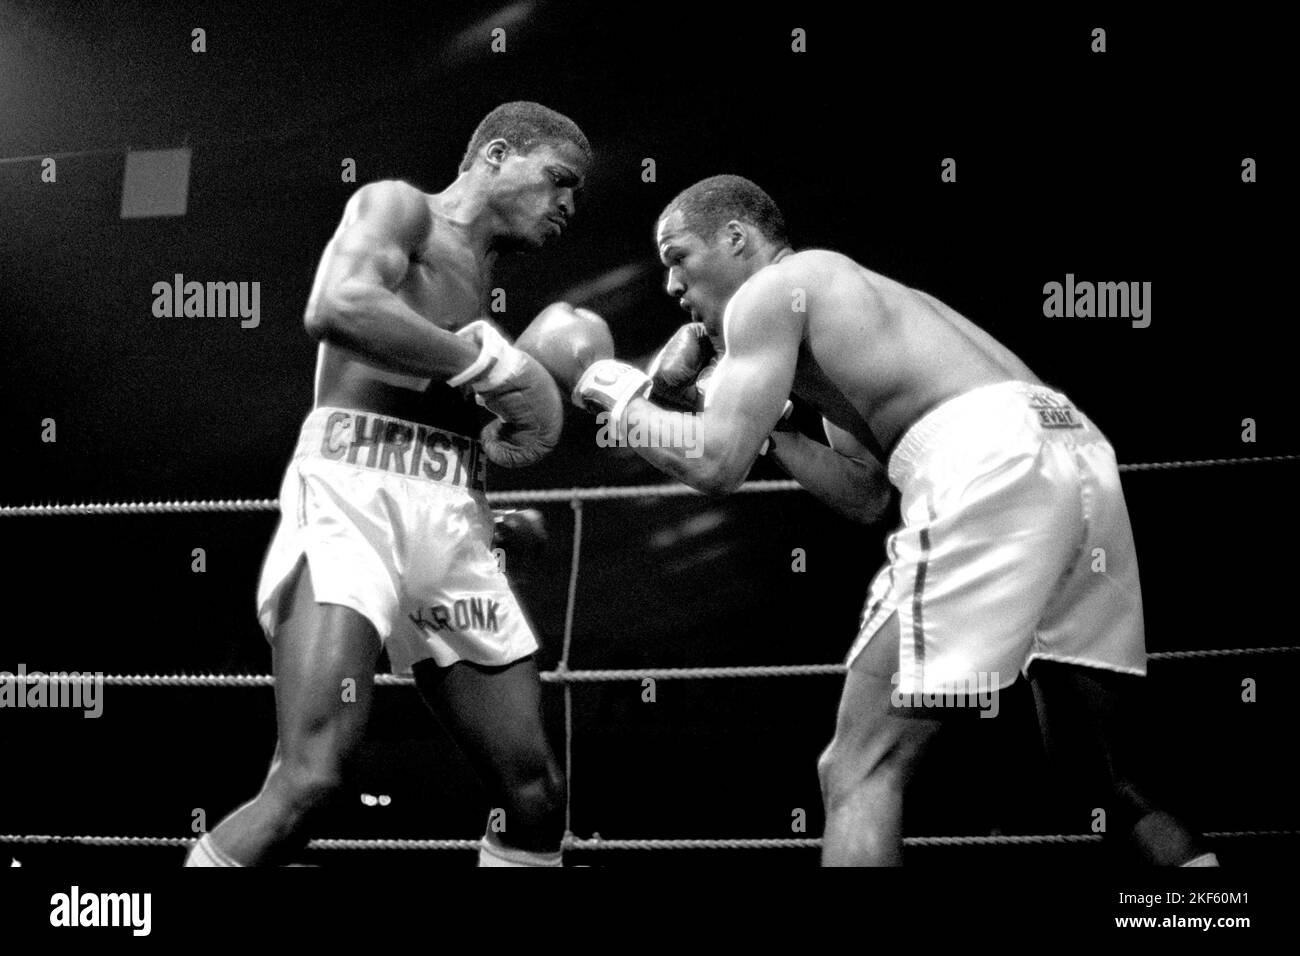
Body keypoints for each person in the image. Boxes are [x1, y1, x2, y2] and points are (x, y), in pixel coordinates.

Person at [565, 174, 1218, 867]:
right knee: (1104, 781)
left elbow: (714, 465)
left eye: (677, 256)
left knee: (858, 770)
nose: (670, 285)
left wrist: (610, 386)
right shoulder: (845, 303)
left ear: (736, 237)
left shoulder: (765, 295)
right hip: (1069, 451)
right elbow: (865, 495)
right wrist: (776, 426)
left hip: (989, 460)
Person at [185, 102, 591, 868]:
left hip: (451, 523)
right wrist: (490, 367)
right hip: (350, 499)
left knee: (537, 796)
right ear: (495, 156)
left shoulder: (488, 283)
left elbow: (439, 409)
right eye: (559, 179)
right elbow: (337, 307)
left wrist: (489, 497)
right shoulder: (399, 208)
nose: (569, 205)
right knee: (310, 781)